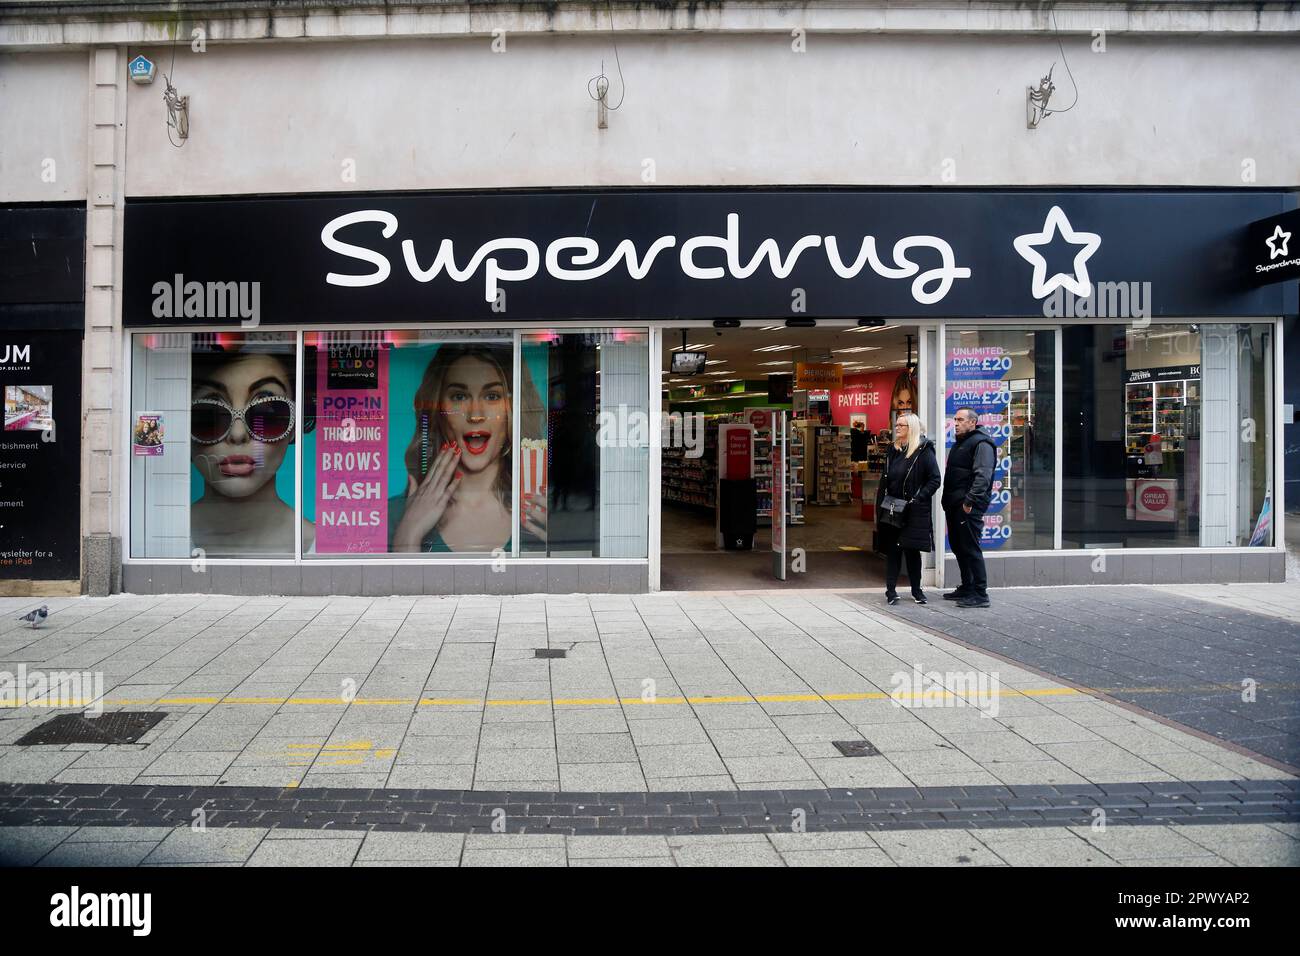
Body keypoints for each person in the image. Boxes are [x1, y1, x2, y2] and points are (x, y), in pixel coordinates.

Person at [390, 344, 546, 552]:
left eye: (492, 396)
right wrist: (408, 537)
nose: (475, 415)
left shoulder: (543, 509)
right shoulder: (395, 515)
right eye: (459, 397)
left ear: (514, 411)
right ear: (438, 411)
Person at [189, 346, 314, 556]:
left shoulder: (323, 549)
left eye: (268, 413)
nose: (238, 434)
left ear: (294, 427)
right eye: (209, 415)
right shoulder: (155, 541)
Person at [875, 413, 940, 605]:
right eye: (896, 425)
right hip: (893, 508)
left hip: (913, 509)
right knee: (893, 549)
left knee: (912, 550)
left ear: (911, 428)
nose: (897, 428)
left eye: (901, 425)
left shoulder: (924, 451)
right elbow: (886, 479)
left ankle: (916, 590)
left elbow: (935, 479)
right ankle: (891, 590)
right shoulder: (893, 450)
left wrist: (918, 498)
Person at [942, 406, 996, 607]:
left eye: (960, 420)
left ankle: (980, 593)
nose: (955, 423)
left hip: (967, 506)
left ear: (972, 422)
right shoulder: (962, 442)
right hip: (954, 504)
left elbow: (982, 476)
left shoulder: (982, 443)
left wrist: (969, 502)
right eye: (955, 419)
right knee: (959, 546)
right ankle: (967, 587)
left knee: (971, 548)